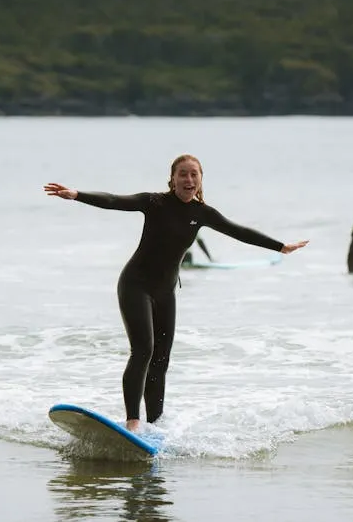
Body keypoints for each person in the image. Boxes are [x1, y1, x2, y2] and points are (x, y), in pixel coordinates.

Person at [44, 154, 308, 432]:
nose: (189, 180)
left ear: (201, 180)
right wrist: (76, 195)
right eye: (183, 174)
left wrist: (281, 247)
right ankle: (133, 421)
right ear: (172, 179)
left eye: (194, 174)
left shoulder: (202, 213)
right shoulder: (154, 202)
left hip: (165, 292)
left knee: (161, 360)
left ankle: (155, 427)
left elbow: (238, 231)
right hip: (135, 285)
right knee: (143, 350)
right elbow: (113, 200)